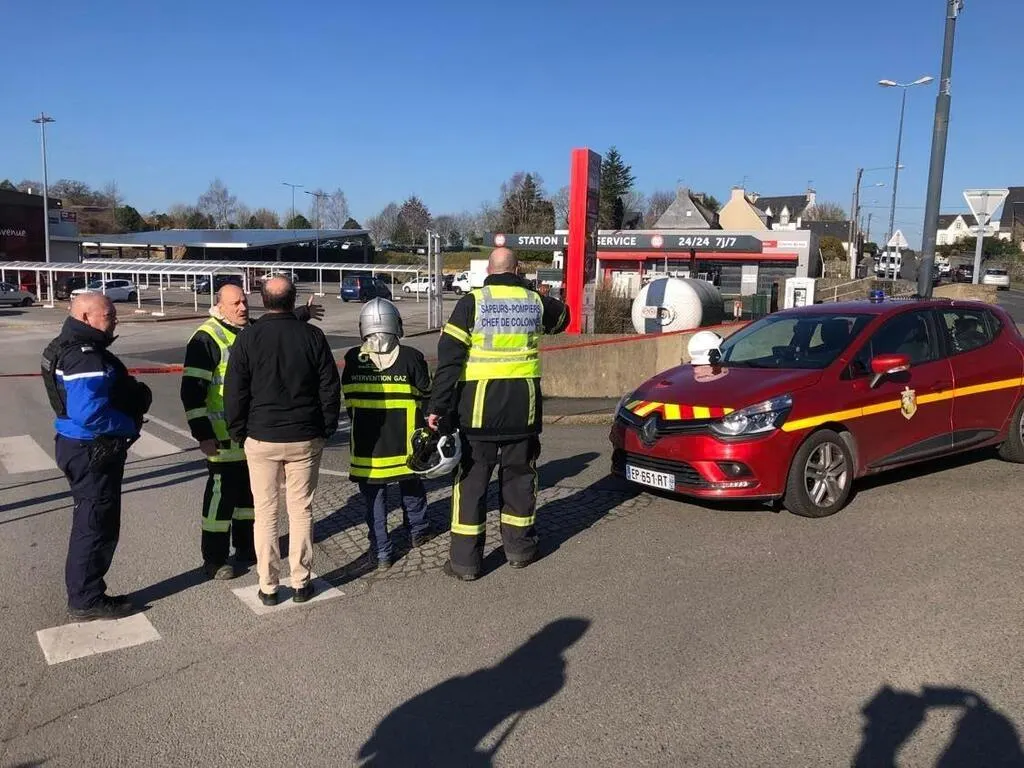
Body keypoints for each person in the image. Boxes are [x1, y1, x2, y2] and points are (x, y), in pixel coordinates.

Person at [427, 247, 570, 581]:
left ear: (488, 271)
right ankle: (520, 550)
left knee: (472, 485)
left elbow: (449, 359)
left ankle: (465, 563)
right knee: (520, 479)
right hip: (523, 411)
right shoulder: (534, 302)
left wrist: (437, 407)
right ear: (517, 270)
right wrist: (534, 292)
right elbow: (564, 317)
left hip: (478, 412)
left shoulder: (472, 303)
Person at [180, 283, 324, 580]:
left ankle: (246, 547)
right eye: (235, 304)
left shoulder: (248, 331)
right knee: (221, 499)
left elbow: (277, 324)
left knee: (250, 499)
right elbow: (191, 391)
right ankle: (215, 558)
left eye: (244, 301)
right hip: (221, 438)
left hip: (252, 436)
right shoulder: (206, 338)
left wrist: (303, 313)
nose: (242, 308)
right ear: (219, 306)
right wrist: (203, 434)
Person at [224, 277, 340, 606]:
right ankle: (301, 581)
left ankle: (268, 585)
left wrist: (238, 431)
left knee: (266, 513)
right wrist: (326, 427)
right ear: (293, 300)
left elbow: (235, 391)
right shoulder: (312, 336)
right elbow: (329, 387)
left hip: (261, 436)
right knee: (301, 509)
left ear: (263, 301)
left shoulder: (248, 338)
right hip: (304, 436)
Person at [41, 292, 152, 621]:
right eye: (109, 316)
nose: (115, 321)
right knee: (95, 524)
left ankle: (87, 592)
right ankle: (86, 600)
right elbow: (89, 413)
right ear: (86, 317)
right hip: (90, 448)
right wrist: (128, 424)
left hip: (78, 445)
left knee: (92, 520)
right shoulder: (84, 356)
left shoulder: (68, 346)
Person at [342, 299, 434, 570]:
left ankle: (382, 552)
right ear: (397, 324)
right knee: (412, 486)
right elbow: (427, 394)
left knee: (374, 498)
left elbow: (349, 400)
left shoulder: (353, 358)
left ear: (364, 326)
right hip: (406, 443)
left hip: (367, 446)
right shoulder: (411, 357)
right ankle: (418, 530)